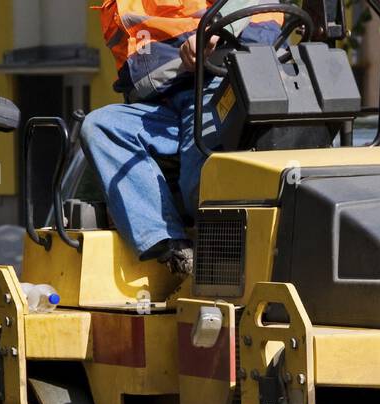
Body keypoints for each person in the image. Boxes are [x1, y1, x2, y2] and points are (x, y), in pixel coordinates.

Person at [81, 1, 283, 275]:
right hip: (162, 104)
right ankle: (171, 245)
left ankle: (227, 265)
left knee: (199, 187)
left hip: (214, 80)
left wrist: (212, 32)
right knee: (101, 126)